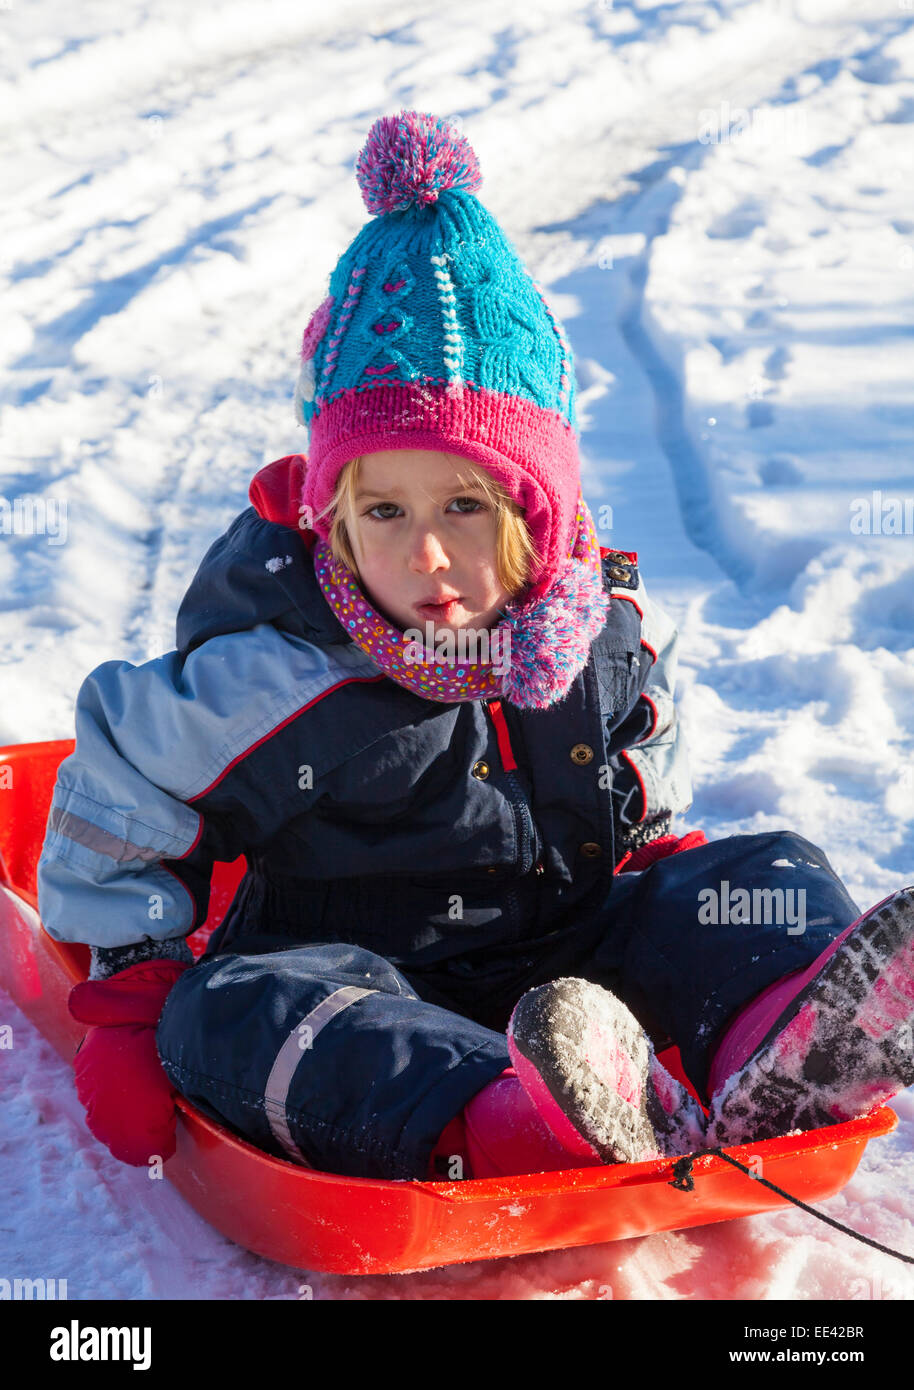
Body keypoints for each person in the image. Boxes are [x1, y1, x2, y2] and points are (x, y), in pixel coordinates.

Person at [37, 110, 914, 1185]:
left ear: (538, 518)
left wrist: (678, 894)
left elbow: (643, 771)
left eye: (464, 505)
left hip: (574, 968)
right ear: (331, 518)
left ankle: (776, 1050)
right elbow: (120, 782)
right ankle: (514, 1120)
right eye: (383, 513)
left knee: (766, 873)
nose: (426, 555)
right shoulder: (277, 669)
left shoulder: (592, 631)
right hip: (361, 985)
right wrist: (129, 1004)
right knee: (228, 1013)